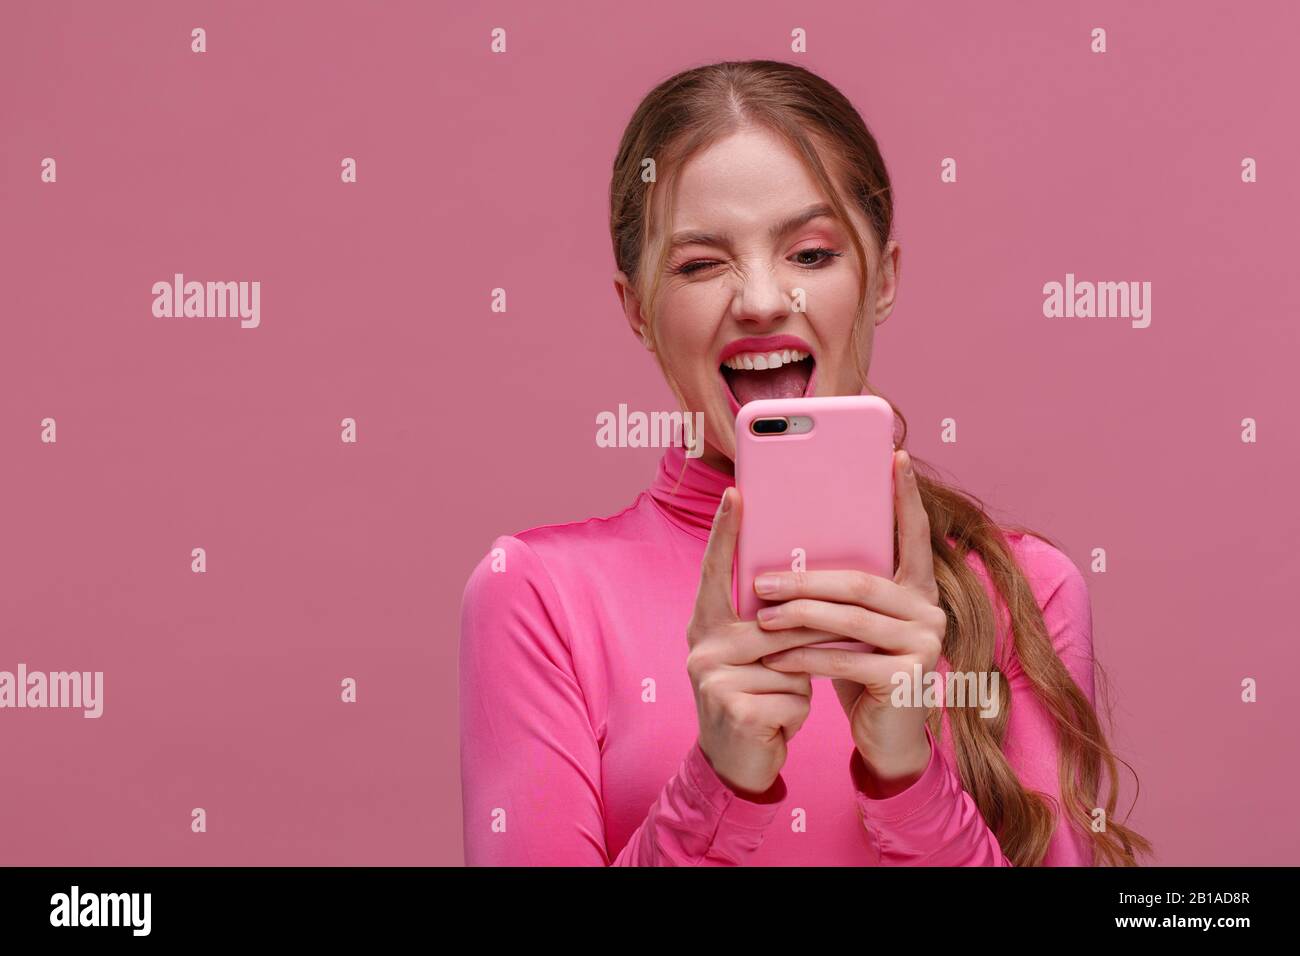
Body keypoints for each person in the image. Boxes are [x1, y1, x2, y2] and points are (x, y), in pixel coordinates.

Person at [459, 59, 1151, 866]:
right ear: (638, 310)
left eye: (811, 254)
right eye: (699, 264)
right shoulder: (535, 595)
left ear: (882, 278)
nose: (759, 299)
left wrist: (907, 774)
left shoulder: (1028, 588)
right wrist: (716, 784)